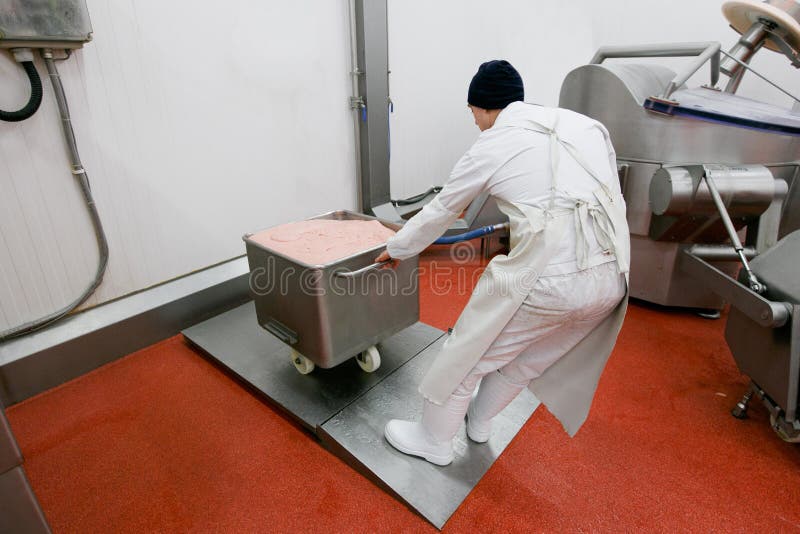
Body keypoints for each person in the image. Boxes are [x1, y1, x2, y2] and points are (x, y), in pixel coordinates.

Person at [374, 60, 631, 466]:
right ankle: (479, 424)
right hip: (612, 278)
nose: (474, 122)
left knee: (469, 352)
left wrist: (398, 248)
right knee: (524, 360)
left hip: (550, 281)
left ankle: (433, 441)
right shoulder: (585, 126)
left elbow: (442, 210)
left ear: (484, 106)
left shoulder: (493, 143)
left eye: (473, 112)